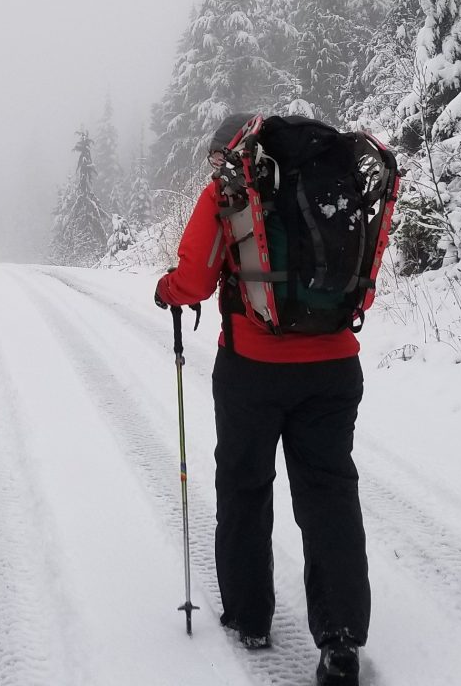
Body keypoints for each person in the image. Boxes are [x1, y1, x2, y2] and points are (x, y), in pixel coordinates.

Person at [154, 113, 369, 686]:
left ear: (231, 150)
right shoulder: (334, 178)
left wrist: (166, 290)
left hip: (253, 369)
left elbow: (195, 280)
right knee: (329, 495)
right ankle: (341, 638)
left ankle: (250, 617)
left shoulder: (233, 188)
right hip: (335, 366)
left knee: (246, 485)